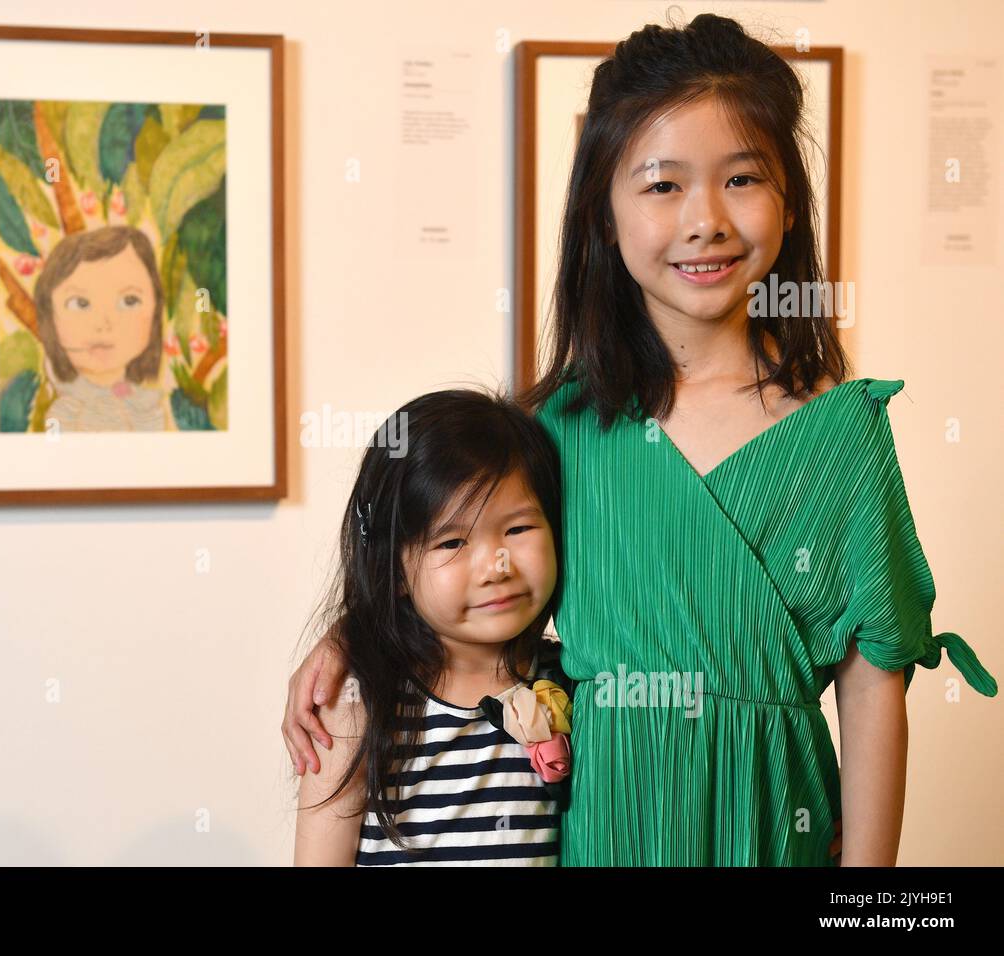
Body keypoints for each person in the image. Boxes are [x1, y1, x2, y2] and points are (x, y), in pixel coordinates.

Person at [284, 13, 996, 865]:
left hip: (772, 832)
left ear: (790, 200)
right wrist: (344, 639)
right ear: (603, 214)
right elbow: (471, 585)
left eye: (742, 178)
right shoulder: (555, 432)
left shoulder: (842, 433)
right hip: (600, 833)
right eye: (662, 186)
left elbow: (875, 680)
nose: (707, 221)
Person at [293, 388, 575, 866]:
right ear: (395, 570)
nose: (495, 565)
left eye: (518, 529)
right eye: (451, 542)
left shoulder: (571, 678)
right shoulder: (359, 701)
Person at [33, 224, 167, 431]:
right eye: (80, 303)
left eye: (129, 301)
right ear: (50, 315)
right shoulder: (65, 411)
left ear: (155, 308)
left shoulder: (148, 404)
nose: (103, 324)